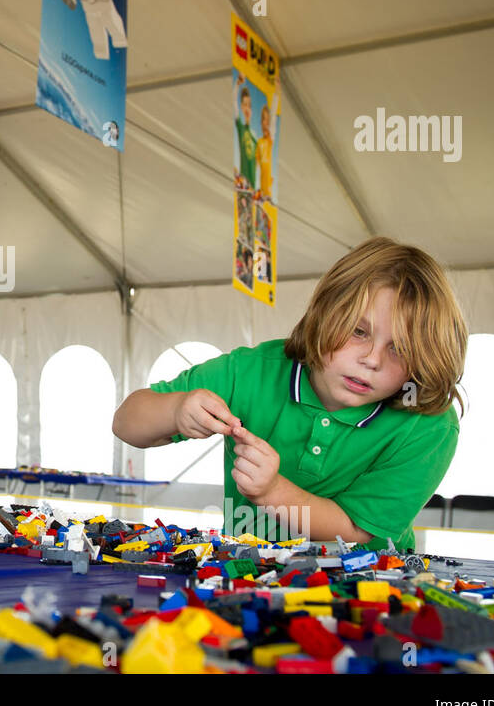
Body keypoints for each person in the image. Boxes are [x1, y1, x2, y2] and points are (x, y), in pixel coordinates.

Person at [113, 237, 467, 552]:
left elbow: (356, 529)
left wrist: (272, 493)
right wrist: (176, 410)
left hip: (371, 584)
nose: (372, 360)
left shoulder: (428, 424)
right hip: (241, 571)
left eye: (400, 349)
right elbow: (126, 423)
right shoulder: (251, 372)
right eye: (358, 331)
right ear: (325, 314)